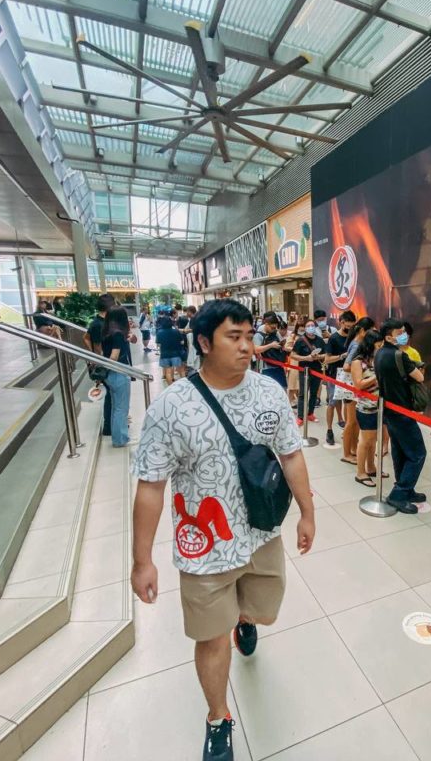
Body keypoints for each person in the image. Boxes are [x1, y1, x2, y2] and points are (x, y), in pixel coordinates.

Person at [129, 299, 315, 761]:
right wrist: (142, 560)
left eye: (250, 336)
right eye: (235, 337)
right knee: (211, 638)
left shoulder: (269, 392)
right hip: (206, 547)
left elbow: (291, 454)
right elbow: (150, 486)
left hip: (261, 533)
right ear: (204, 342)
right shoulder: (172, 406)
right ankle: (218, 717)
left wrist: (308, 513)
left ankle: (244, 620)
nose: (247, 346)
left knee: (262, 608)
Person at [374, 318, 426, 514]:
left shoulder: (379, 354)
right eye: (400, 333)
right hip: (402, 410)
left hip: (388, 409)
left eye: (404, 331)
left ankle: (406, 489)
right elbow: (420, 377)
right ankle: (399, 493)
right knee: (418, 454)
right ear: (389, 337)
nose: (404, 335)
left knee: (400, 451)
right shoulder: (399, 355)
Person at [350, 330, 385, 487]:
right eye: (378, 345)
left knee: (374, 440)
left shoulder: (377, 359)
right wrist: (377, 376)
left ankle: (371, 467)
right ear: (370, 345)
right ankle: (360, 472)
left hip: (380, 405)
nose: (380, 348)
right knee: (365, 440)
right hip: (366, 406)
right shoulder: (358, 362)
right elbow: (358, 384)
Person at [339, 316, 375, 465]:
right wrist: (360, 370)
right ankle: (347, 453)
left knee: (354, 422)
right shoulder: (356, 345)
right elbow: (347, 366)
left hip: (352, 386)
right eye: (370, 330)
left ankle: (352, 449)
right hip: (351, 386)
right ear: (362, 331)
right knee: (351, 422)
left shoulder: (357, 342)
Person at [85, 293, 117, 437]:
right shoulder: (99, 324)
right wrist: (99, 363)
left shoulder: (99, 322)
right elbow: (97, 346)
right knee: (110, 395)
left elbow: (85, 337)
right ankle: (108, 426)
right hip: (106, 364)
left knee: (112, 394)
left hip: (106, 362)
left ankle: (111, 423)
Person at [322, 310, 356, 445]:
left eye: (352, 326)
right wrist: (342, 356)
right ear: (341, 322)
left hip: (350, 375)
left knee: (349, 403)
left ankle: (347, 429)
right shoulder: (334, 338)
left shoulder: (353, 338)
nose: (350, 329)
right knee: (332, 402)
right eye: (348, 326)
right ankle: (329, 430)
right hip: (334, 375)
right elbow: (327, 359)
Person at [101, 306, 133, 448]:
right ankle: (120, 439)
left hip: (111, 375)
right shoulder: (118, 334)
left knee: (116, 407)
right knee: (121, 408)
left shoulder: (106, 333)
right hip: (119, 372)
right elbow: (114, 356)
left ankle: (118, 437)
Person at [289, 319, 324, 426]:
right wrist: (306, 358)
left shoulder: (319, 340)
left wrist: (319, 356)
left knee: (314, 393)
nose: (310, 327)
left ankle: (310, 413)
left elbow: (326, 354)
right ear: (305, 328)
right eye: (308, 326)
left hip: (317, 370)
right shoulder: (300, 340)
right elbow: (293, 355)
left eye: (312, 325)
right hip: (304, 370)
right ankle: (300, 417)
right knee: (302, 394)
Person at [254, 312, 290, 389]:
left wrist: (282, 346)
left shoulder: (275, 333)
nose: (274, 329)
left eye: (275, 328)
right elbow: (256, 350)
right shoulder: (258, 335)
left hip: (278, 366)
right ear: (266, 324)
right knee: (268, 391)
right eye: (272, 327)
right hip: (266, 369)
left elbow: (281, 344)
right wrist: (271, 345)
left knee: (282, 389)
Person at [157, 316, 185, 385]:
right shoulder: (176, 331)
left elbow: (159, 345)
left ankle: (170, 386)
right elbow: (182, 342)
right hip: (176, 354)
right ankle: (185, 385)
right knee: (181, 371)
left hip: (164, 354)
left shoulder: (159, 332)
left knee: (168, 372)